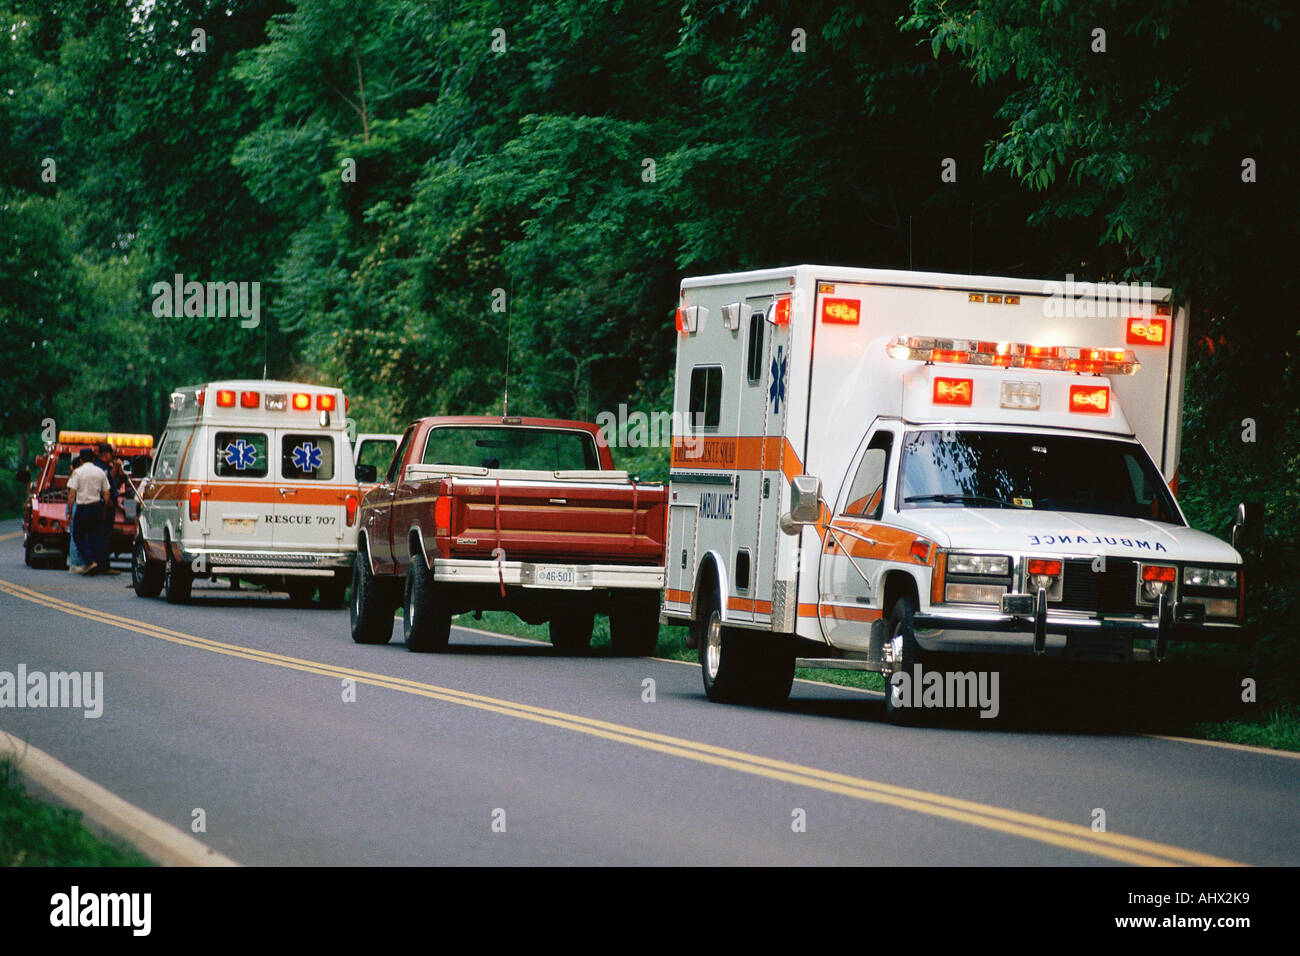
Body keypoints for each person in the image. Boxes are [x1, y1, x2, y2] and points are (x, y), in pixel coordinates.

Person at [66, 448, 109, 575]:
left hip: (83, 508)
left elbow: (71, 495)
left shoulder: (77, 472)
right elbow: (107, 494)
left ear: (80, 459)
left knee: (78, 535)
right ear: (94, 459)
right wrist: (104, 510)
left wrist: (69, 512)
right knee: (94, 536)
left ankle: (90, 560)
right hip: (96, 507)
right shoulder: (100, 472)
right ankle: (94, 562)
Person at [90, 442, 123, 576]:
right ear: (106, 454)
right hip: (104, 506)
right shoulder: (101, 468)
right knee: (102, 537)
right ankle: (102, 565)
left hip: (101, 506)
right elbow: (106, 488)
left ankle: (100, 564)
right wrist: (106, 508)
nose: (113, 457)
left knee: (102, 536)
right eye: (111, 454)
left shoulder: (102, 467)